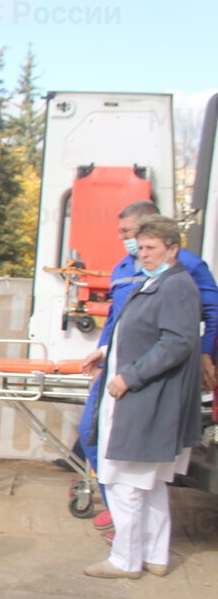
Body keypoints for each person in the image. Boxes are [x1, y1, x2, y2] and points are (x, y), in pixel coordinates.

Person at [77, 200, 218, 536]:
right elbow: (117, 318)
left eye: (132, 234)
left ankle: (131, 536)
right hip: (118, 366)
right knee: (93, 438)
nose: (131, 245)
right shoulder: (123, 268)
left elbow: (195, 325)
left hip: (148, 372)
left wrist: (205, 354)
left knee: (138, 464)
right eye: (131, 240)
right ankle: (123, 519)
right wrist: (104, 352)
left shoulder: (184, 272)